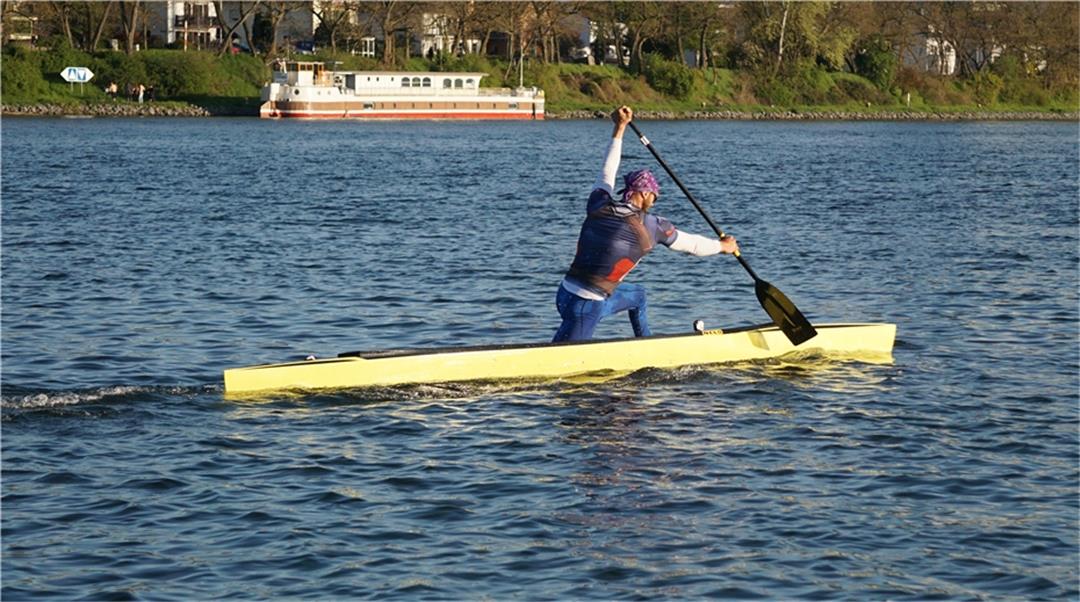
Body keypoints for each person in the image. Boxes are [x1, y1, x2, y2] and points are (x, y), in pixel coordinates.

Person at [552, 105, 739, 342]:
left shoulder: (599, 203)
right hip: (586, 307)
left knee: (637, 295)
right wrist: (724, 247)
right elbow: (692, 245)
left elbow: (607, 171)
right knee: (556, 361)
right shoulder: (651, 226)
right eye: (654, 195)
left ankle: (646, 345)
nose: (655, 200)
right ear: (644, 193)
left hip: (564, 294)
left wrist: (619, 129)